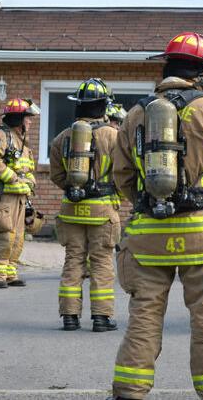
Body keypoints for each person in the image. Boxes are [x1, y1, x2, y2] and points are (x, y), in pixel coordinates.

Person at [109, 32, 203, 400]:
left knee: (144, 316)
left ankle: (128, 391)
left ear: (166, 70)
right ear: (202, 74)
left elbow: (122, 177)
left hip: (148, 235)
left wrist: (149, 203)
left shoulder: (136, 113)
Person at [49, 78, 121, 332]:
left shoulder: (62, 137)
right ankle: (101, 317)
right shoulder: (114, 136)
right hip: (102, 211)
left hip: (71, 210)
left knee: (73, 261)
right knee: (102, 263)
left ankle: (69, 316)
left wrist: (74, 188)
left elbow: (56, 175)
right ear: (103, 106)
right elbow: (124, 173)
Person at [0, 98, 39, 288]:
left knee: (17, 238)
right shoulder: (0, 135)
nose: (30, 122)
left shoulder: (21, 140)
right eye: (27, 118)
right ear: (18, 119)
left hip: (19, 197)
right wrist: (14, 178)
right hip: (3, 197)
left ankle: (9, 273)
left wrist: (30, 182)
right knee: (4, 236)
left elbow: (27, 168)